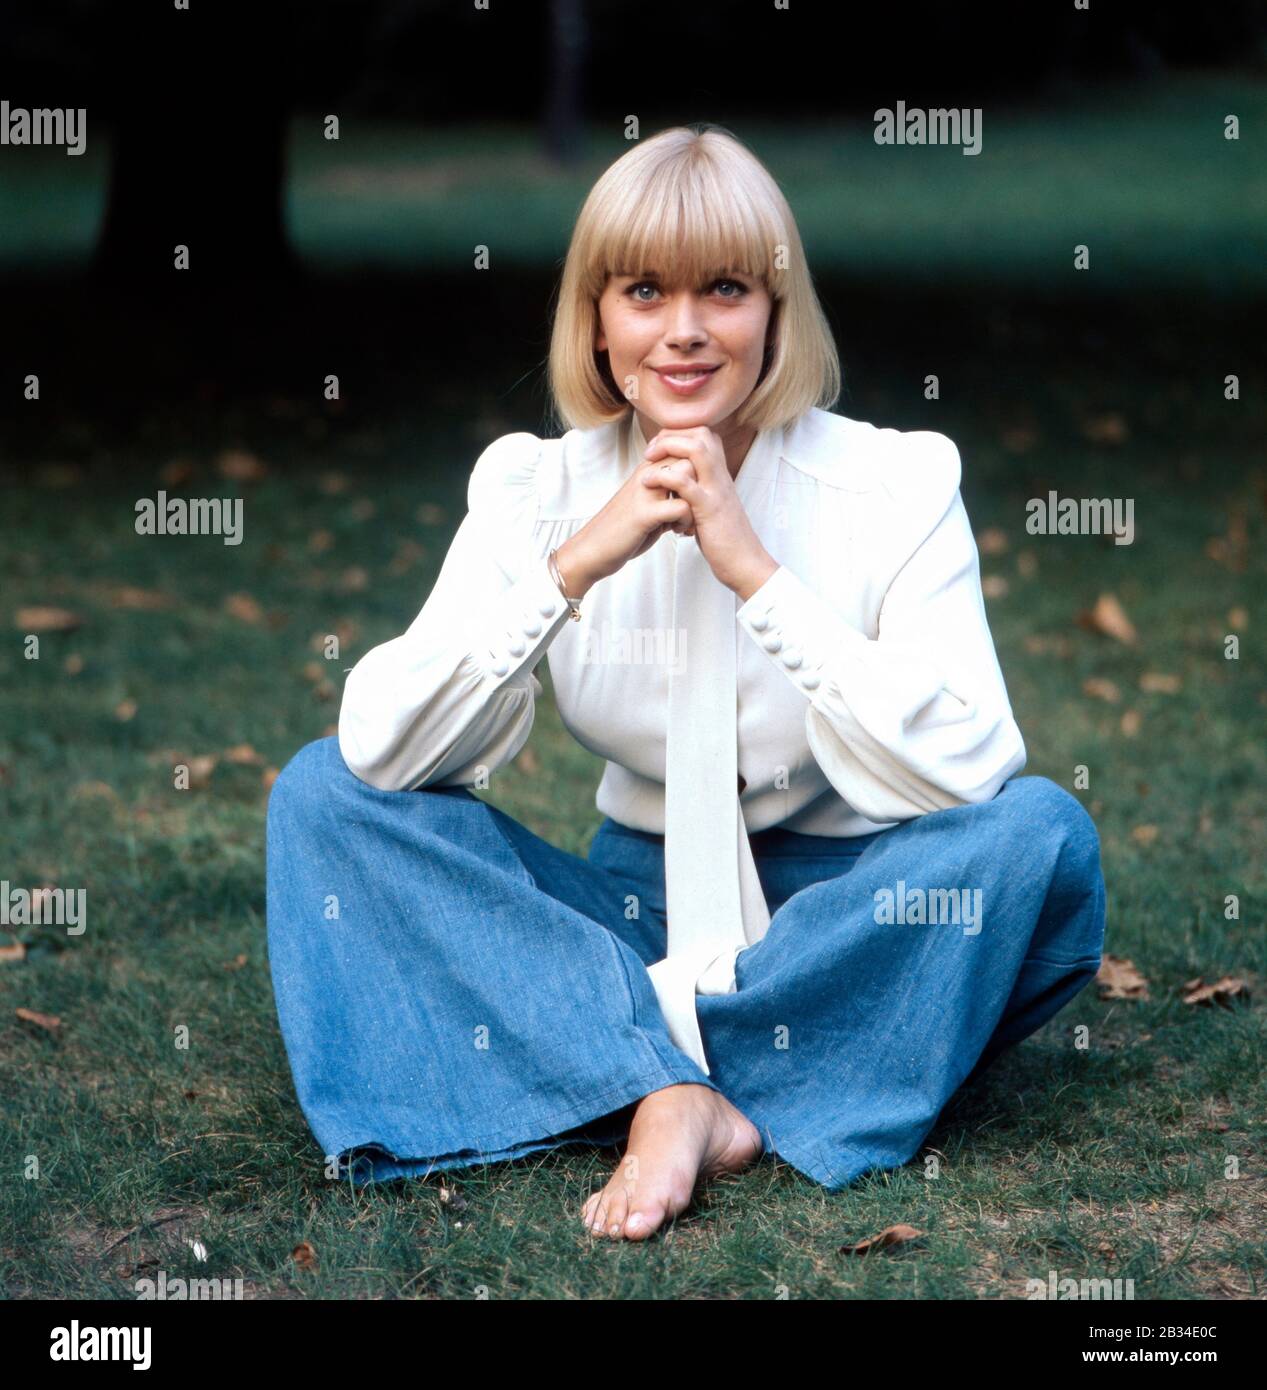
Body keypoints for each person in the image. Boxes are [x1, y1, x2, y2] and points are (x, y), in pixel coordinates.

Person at [266, 123, 1106, 1243]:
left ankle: (625, 1062)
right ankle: (703, 1081)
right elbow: (384, 747)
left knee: (1040, 840)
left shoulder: (895, 484)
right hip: (619, 908)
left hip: (848, 905)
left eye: (723, 288)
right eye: (643, 291)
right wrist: (574, 564)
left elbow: (969, 769)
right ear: (596, 320)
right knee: (322, 794)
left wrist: (756, 574)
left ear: (775, 308)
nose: (685, 331)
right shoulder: (536, 489)